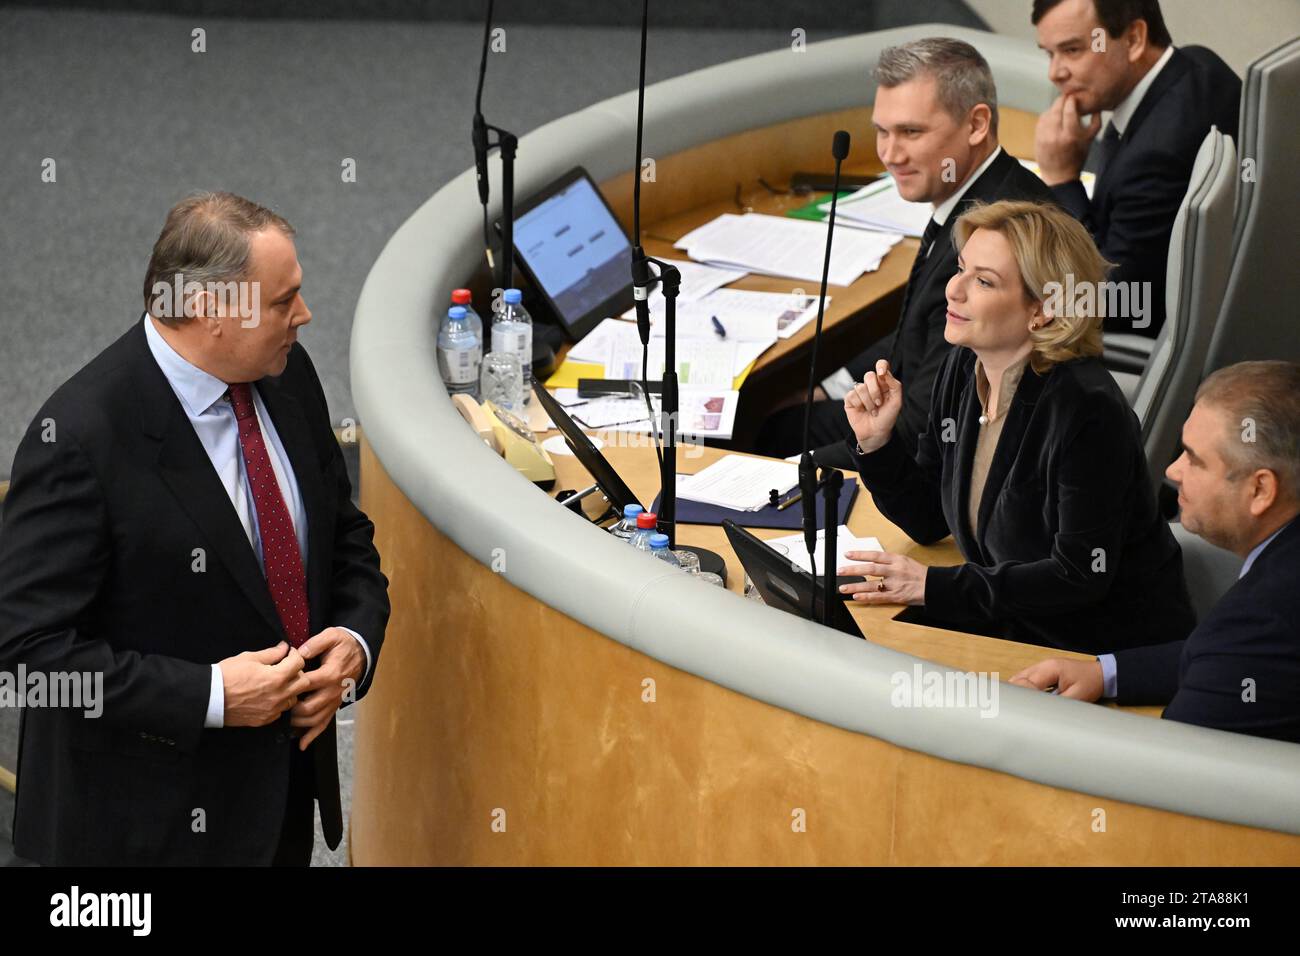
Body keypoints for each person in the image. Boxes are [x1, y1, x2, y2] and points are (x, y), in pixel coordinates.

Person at [0, 192, 390, 865]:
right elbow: (27, 655)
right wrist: (209, 696)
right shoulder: (82, 440)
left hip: (279, 802)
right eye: (282, 301)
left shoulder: (284, 373)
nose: (305, 315)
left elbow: (342, 535)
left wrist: (354, 643)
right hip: (144, 834)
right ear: (213, 312)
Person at [837, 199, 1192, 654]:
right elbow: (928, 518)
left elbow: (1080, 574)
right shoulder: (964, 368)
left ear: (1042, 310)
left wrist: (934, 587)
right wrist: (877, 442)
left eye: (983, 281)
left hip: (1090, 647)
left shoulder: (1086, 409)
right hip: (1008, 621)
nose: (953, 291)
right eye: (960, 269)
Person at [757, 37, 1055, 467]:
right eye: (882, 131)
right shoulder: (977, 196)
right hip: (911, 404)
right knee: (780, 421)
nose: (890, 155)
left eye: (911, 132)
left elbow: (926, 427)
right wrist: (834, 385)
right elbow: (917, 328)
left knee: (775, 436)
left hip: (946, 458)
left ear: (976, 125)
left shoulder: (996, 239)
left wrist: (787, 473)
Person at [1011, 362, 1300, 744]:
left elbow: (1169, 771)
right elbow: (1211, 657)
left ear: (1260, 490)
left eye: (1194, 459)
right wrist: (1106, 673)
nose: (1172, 470)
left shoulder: (1259, 625)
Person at [1032, 0, 1240, 337]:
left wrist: (1061, 180)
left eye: (1072, 50)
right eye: (1049, 53)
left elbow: (1115, 305)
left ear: (1133, 40)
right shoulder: (1200, 64)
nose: (1055, 72)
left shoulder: (1154, 157)